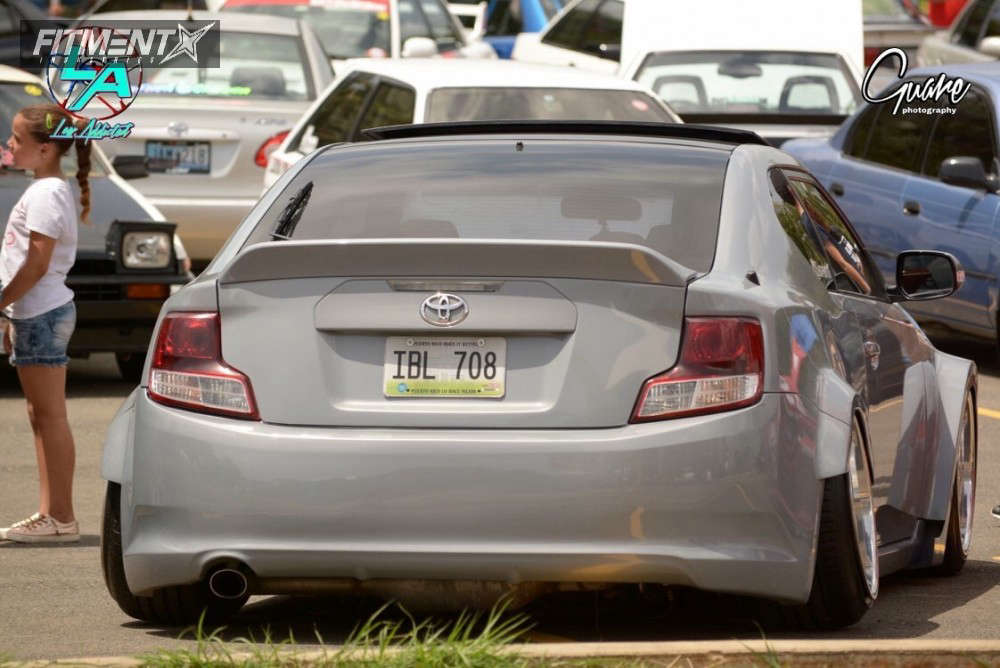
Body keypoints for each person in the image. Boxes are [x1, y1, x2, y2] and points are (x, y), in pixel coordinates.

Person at [0, 104, 90, 543]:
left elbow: (37, 263)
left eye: (16, 140)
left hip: (42, 312)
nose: (9, 146)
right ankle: (50, 515)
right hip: (34, 312)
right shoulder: (45, 189)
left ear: (45, 148)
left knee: (50, 416)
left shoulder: (47, 193)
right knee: (41, 416)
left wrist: (1, 302)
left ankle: (61, 518)